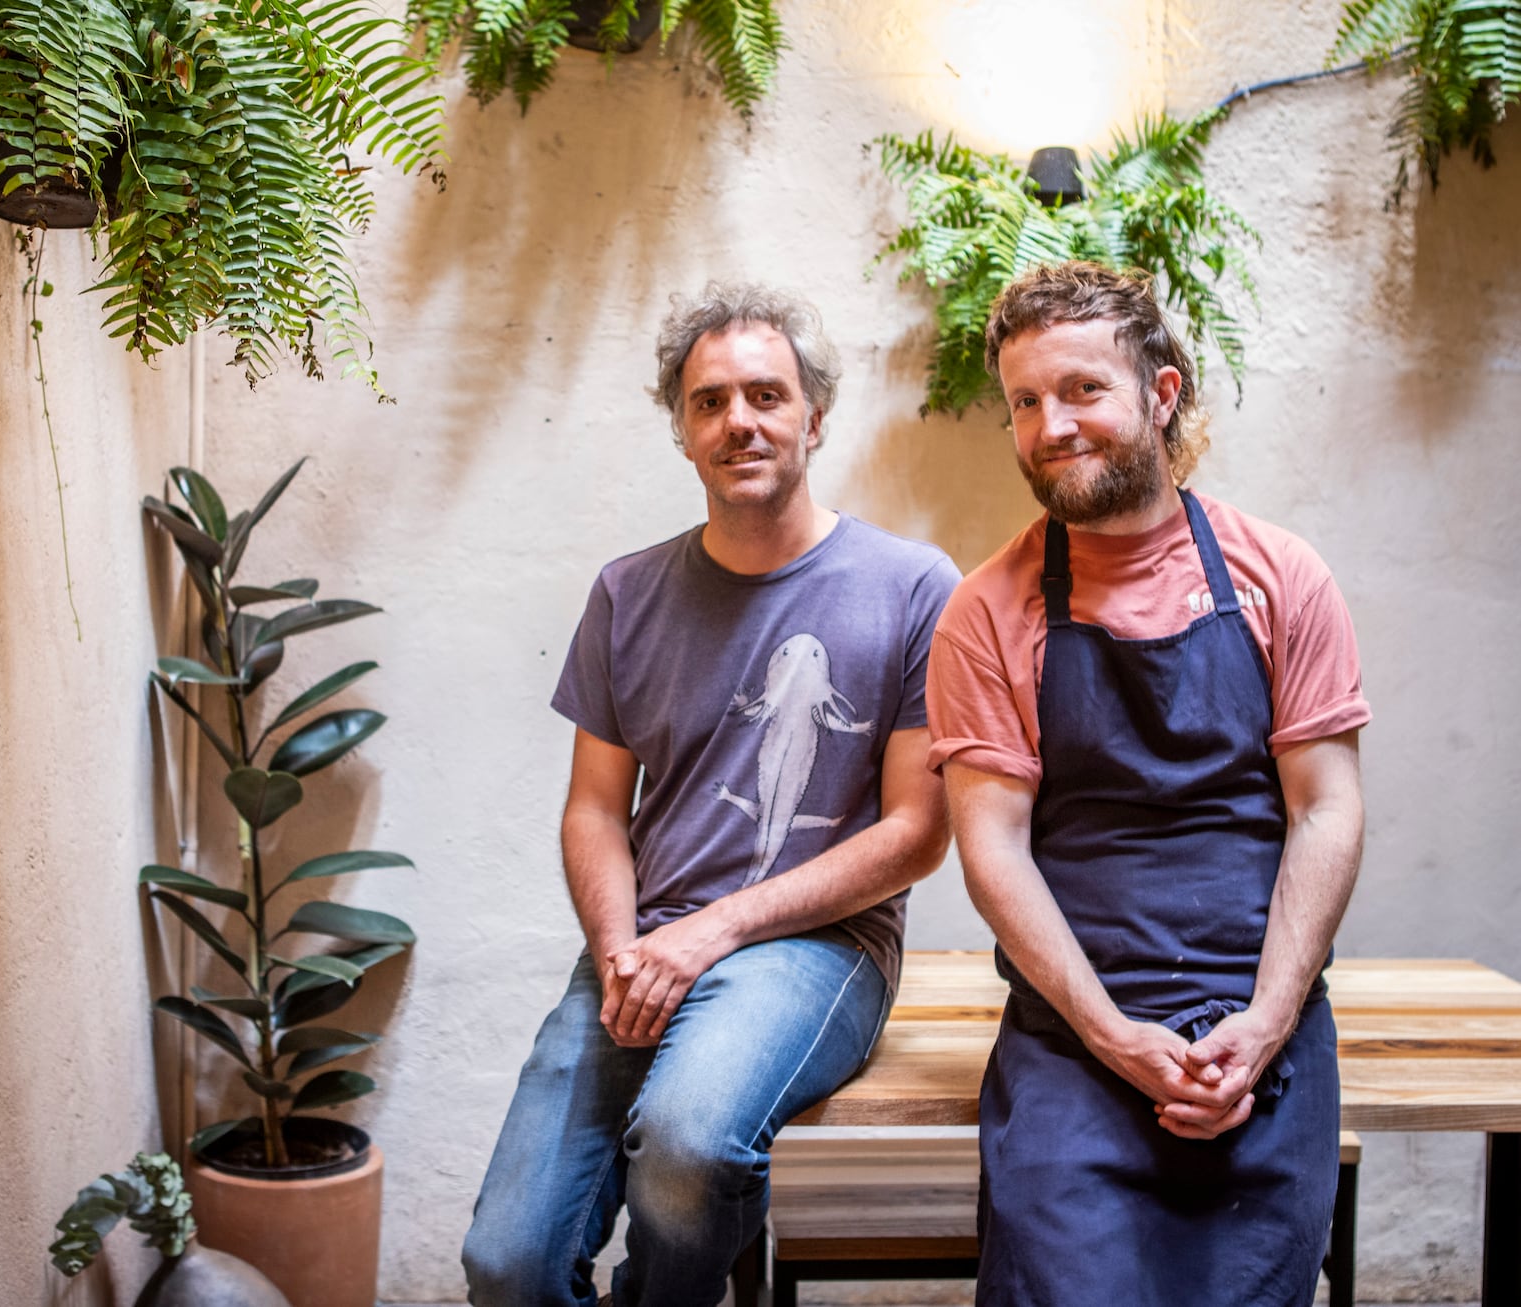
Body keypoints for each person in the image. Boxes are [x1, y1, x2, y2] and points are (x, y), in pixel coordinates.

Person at [460, 283, 960, 1307]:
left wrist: (712, 932)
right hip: (641, 946)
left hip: (822, 949)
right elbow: (595, 807)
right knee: (504, 1265)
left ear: (814, 417)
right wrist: (619, 947)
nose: (740, 420)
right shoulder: (625, 593)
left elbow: (915, 834)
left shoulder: (912, 586)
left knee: (687, 1149)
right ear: (683, 431)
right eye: (710, 401)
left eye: (767, 395)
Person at [926, 261, 1370, 1305]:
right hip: (1074, 1039)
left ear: (1160, 395)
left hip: (1256, 1034)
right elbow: (990, 848)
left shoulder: (1278, 575)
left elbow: (1325, 807)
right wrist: (1112, 1035)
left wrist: (1263, 1022)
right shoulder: (985, 612)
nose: (1050, 425)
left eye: (1082, 389)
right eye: (1025, 403)